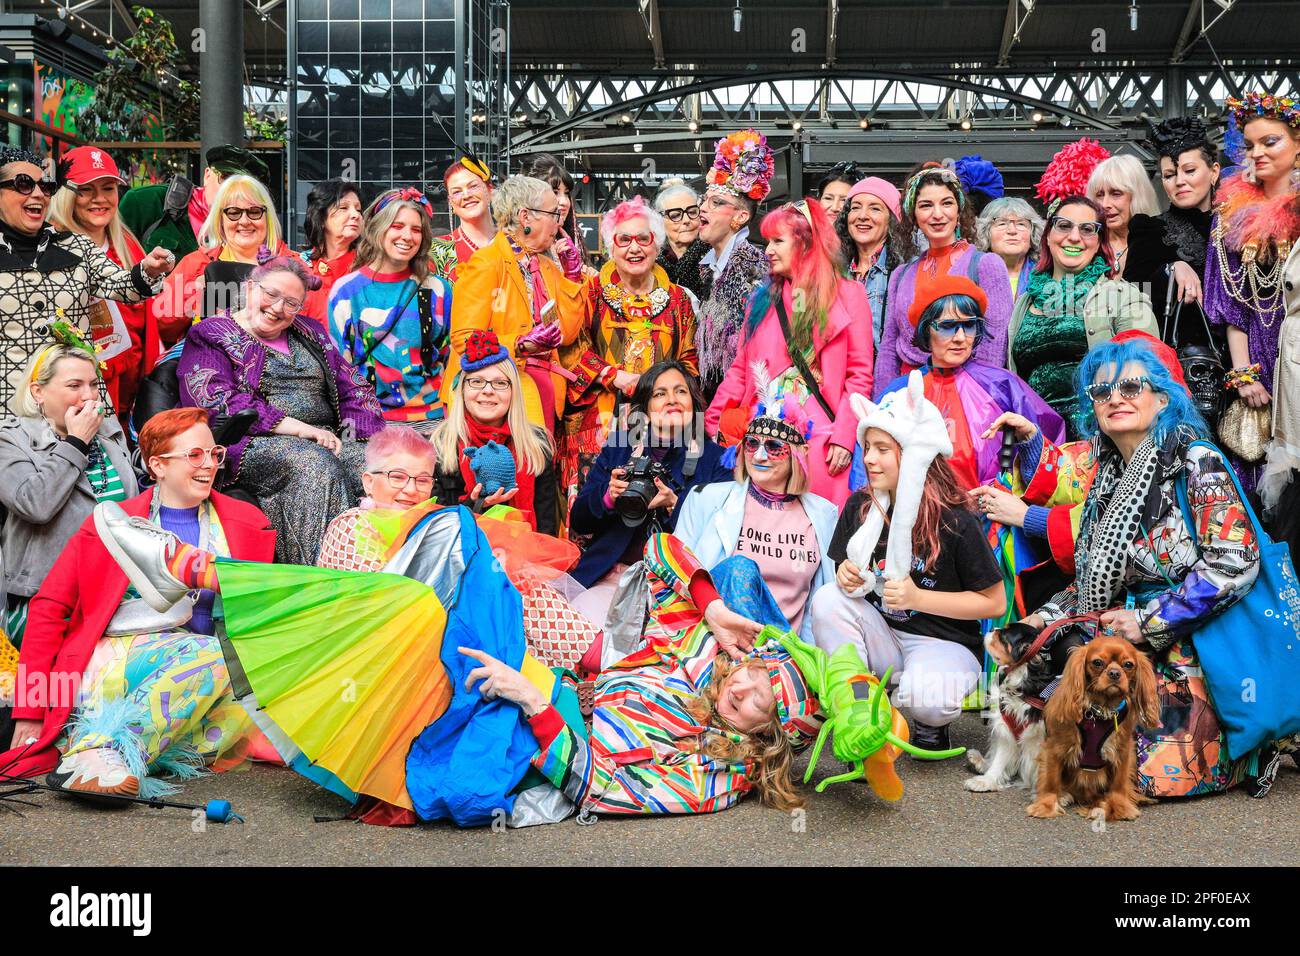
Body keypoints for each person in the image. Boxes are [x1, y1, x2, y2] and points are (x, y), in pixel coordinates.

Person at [89, 499, 822, 821]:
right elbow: (657, 548)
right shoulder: (700, 655)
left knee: (417, 593)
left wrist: (533, 701)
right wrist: (713, 604)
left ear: (770, 739)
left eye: (761, 702)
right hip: (529, 683)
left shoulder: (711, 778)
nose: (744, 689)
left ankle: (206, 575)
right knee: (450, 535)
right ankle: (206, 574)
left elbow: (597, 788)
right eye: (753, 674)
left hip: (517, 741)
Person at [1015, 338, 1271, 798]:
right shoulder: (1107, 477)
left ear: (1164, 397)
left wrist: (1147, 622)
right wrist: (1041, 621)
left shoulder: (1196, 462)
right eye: (1102, 391)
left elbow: (1235, 565)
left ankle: (1251, 743)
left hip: (1199, 649)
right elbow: (1090, 584)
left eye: (1132, 386)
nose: (1115, 398)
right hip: (1124, 655)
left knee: (1137, 776)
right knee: (1067, 761)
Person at [1, 407, 275, 796]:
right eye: (194, 455)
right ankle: (101, 749)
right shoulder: (112, 522)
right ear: (157, 465)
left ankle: (128, 751)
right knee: (220, 657)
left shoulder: (246, 520)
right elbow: (50, 608)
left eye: (214, 454)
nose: (209, 465)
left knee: (264, 706)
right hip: (120, 664)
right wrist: (29, 713)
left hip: (208, 675)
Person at [810, 371, 1006, 751]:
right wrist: (847, 575)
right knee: (828, 599)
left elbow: (994, 603)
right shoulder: (859, 505)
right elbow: (839, 572)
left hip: (941, 642)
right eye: (867, 448)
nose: (868, 459)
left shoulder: (955, 519)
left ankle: (922, 718)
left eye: (883, 450)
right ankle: (861, 708)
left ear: (914, 453)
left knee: (927, 700)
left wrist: (918, 599)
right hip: (882, 634)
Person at [179, 255, 385, 564]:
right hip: (248, 443)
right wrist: (300, 429)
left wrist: (361, 437)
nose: (278, 308)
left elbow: (353, 387)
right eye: (270, 294)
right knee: (313, 465)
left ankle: (386, 569)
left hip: (325, 437)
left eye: (291, 303)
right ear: (249, 288)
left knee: (379, 467)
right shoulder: (212, 334)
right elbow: (217, 400)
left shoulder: (310, 332)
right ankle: (322, 578)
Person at [707, 199, 873, 506]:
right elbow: (741, 368)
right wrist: (714, 420)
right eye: (768, 241)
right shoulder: (761, 299)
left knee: (816, 533)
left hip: (822, 439)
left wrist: (844, 435)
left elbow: (859, 375)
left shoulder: (850, 295)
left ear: (807, 244)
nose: (768, 250)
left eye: (778, 241)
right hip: (762, 435)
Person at [0, 144, 174, 413]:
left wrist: (148, 270)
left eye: (44, 186)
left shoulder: (77, 246)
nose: (37, 193)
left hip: (81, 408)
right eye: (23, 184)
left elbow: (122, 285)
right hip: (11, 410)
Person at [569, 360, 731, 625]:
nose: (672, 400)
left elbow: (721, 536)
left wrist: (676, 505)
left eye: (681, 391)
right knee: (581, 626)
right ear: (644, 409)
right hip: (612, 576)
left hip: (679, 587)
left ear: (693, 404)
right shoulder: (620, 448)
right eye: (660, 393)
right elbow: (579, 520)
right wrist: (609, 496)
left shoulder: (717, 460)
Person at [0, 333, 137, 647]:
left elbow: (131, 508)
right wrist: (76, 443)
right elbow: (34, 505)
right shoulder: (11, 439)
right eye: (74, 386)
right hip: (44, 602)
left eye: (93, 385)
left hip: (118, 591)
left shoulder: (109, 433)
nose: (89, 397)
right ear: (38, 392)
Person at [559, 196, 698, 503]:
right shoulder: (590, 294)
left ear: (656, 245)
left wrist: (660, 392)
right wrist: (612, 375)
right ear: (611, 247)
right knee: (596, 507)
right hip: (599, 423)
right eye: (624, 240)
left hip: (663, 428)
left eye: (643, 239)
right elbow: (571, 349)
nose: (634, 248)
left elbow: (689, 362)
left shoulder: (678, 301)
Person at [679, 380, 838, 640]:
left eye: (774, 447)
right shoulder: (704, 499)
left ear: (799, 454)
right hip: (716, 641)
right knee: (738, 569)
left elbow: (821, 605)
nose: (759, 456)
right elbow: (675, 570)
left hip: (785, 650)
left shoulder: (824, 516)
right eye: (752, 444)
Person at [875, 277, 1064, 491]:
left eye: (969, 325)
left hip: (990, 518)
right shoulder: (899, 393)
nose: (960, 337)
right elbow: (870, 470)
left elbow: (1050, 452)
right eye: (948, 326)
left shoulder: (1003, 386)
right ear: (926, 330)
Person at [1205, 92, 1300, 496]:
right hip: (1259, 362)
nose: (1257, 153)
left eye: (1270, 141)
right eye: (1249, 145)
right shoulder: (1230, 215)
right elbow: (1233, 307)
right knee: (1262, 480)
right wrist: (1243, 375)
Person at [442, 175, 586, 432]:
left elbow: (567, 334)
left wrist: (572, 277)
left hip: (542, 396)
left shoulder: (547, 266)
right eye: (553, 213)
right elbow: (465, 339)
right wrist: (520, 344)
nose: (558, 220)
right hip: (493, 402)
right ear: (525, 217)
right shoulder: (487, 262)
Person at [1007, 195, 1158, 434]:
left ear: (1099, 242)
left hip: (1098, 439)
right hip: (1036, 439)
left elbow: (1148, 375)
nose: (1074, 237)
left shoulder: (1123, 296)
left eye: (1088, 229)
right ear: (1048, 235)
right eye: (1064, 226)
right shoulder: (1024, 302)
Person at [49, 146, 161, 424]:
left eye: (108, 188)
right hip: (74, 403)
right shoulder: (48, 248)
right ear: (65, 194)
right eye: (86, 189)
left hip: (129, 400)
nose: (99, 199)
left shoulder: (128, 245)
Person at [327, 186, 452, 432]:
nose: (407, 236)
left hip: (434, 420)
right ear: (378, 229)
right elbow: (340, 368)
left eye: (416, 229)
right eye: (397, 226)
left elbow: (449, 354)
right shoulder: (346, 293)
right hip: (370, 420)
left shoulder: (437, 289)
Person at [874, 164, 1013, 386]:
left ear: (959, 210)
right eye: (926, 205)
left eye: (947, 203)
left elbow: (993, 347)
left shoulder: (986, 265)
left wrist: (979, 401)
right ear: (914, 215)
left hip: (964, 392)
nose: (937, 214)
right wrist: (882, 406)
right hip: (906, 397)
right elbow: (889, 347)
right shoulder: (901, 274)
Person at [430, 330, 558, 534]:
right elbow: (436, 530)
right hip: (462, 558)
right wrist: (477, 504)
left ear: (513, 391)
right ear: (462, 390)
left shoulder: (536, 443)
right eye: (477, 381)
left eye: (500, 383)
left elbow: (547, 525)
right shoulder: (441, 445)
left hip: (526, 555)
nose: (488, 390)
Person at [152, 173, 292, 347]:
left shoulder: (294, 266)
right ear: (220, 220)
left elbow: (315, 329)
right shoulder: (196, 264)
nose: (244, 221)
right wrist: (195, 294)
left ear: (268, 217)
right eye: (233, 213)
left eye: (254, 212)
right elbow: (159, 326)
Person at [1088, 154, 1204, 340]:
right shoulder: (1086, 248)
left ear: (1137, 195)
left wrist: (1172, 268)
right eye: (1099, 195)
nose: (1105, 204)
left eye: (1116, 194)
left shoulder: (1165, 242)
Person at [695, 130, 773, 398]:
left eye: (716, 203)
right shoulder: (709, 266)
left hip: (743, 398)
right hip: (717, 397)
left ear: (740, 217)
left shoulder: (752, 266)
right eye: (704, 200)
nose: (703, 208)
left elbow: (757, 348)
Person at [118, 144, 270, 259]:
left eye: (243, 186)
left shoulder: (250, 227)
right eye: (225, 178)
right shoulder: (145, 201)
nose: (228, 190)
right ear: (207, 175)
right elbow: (114, 262)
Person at [835, 176, 914, 349]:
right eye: (855, 208)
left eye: (875, 209)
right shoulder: (832, 269)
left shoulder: (907, 272)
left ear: (892, 220)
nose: (862, 216)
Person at [298, 178, 363, 324]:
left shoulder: (370, 268)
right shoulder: (297, 266)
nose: (356, 215)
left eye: (358, 209)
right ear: (320, 218)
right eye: (343, 208)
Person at [516, 153, 589, 278]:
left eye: (566, 194)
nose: (565, 202)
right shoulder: (512, 250)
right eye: (555, 192)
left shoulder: (567, 243)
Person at [432, 157, 497, 283]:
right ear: (450, 202)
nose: (466, 196)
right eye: (456, 192)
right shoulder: (437, 251)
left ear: (489, 190)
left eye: (473, 186)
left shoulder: (515, 244)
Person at [974, 197, 1044, 299]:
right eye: (1002, 223)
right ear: (985, 233)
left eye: (1021, 224)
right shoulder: (971, 275)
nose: (1012, 230)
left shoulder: (1047, 276)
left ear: (1033, 233)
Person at [653, 178, 711, 302]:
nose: (686, 220)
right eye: (675, 215)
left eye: (692, 212)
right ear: (660, 221)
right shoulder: (652, 266)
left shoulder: (716, 260)